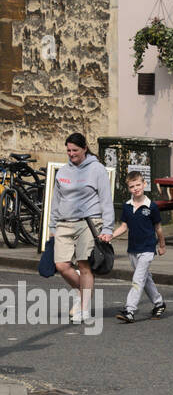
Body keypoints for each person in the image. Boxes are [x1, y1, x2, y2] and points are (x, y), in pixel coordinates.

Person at [46, 133, 114, 324]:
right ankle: (83, 291)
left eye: (75, 150)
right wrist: (52, 225)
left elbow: (106, 200)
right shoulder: (63, 172)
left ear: (84, 148)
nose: (71, 154)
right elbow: (56, 201)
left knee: (84, 265)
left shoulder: (97, 169)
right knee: (61, 266)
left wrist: (107, 228)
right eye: (68, 150)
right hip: (64, 222)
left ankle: (83, 309)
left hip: (88, 222)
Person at [110, 171, 167, 323]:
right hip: (133, 249)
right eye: (132, 186)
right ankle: (159, 303)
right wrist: (111, 235)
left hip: (148, 248)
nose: (136, 188)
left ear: (144, 184)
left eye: (138, 185)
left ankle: (130, 310)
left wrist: (162, 245)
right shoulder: (127, 206)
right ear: (128, 189)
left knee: (138, 279)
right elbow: (124, 226)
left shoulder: (152, 207)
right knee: (145, 278)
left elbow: (158, 228)